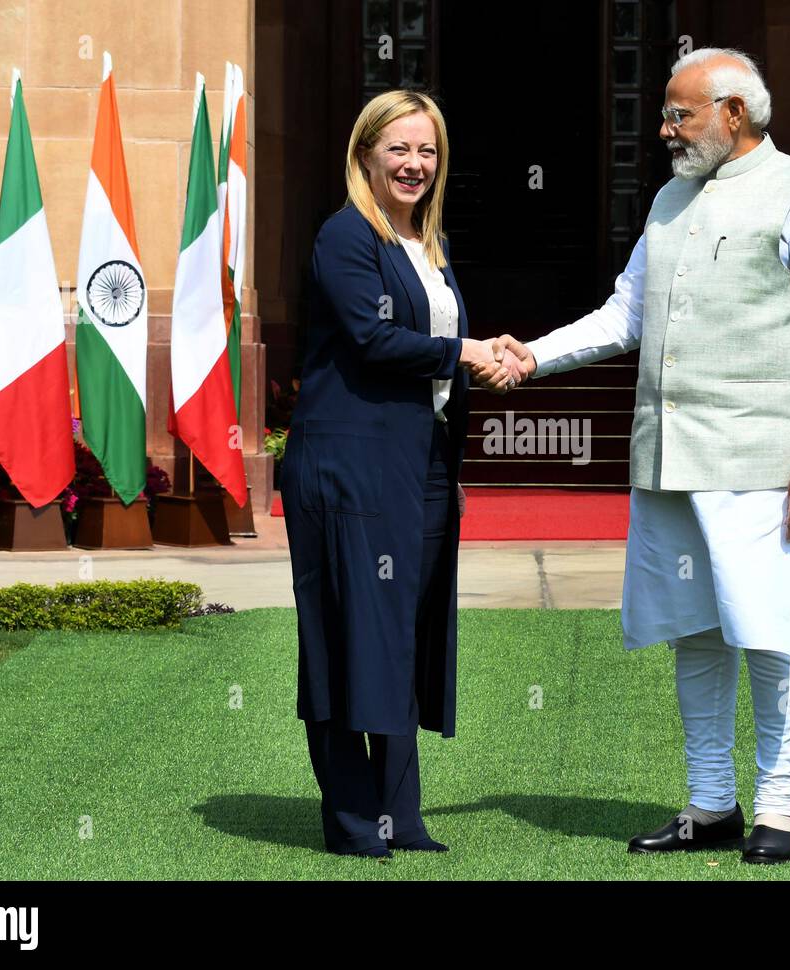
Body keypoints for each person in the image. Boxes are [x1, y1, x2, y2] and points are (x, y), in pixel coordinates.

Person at [495, 48, 790, 863]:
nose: (664, 128)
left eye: (681, 113)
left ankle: (778, 807)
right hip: (670, 462)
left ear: (734, 114)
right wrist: (530, 355)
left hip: (765, 466)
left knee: (772, 633)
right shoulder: (671, 197)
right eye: (667, 112)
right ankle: (711, 806)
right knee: (695, 633)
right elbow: (624, 312)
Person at [281, 89, 515, 858]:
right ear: (366, 154)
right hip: (348, 467)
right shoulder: (346, 235)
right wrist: (463, 354)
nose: (415, 163)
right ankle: (353, 821)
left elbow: (428, 337)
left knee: (404, 633)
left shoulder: (426, 242)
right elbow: (370, 339)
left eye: (428, 151)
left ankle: (399, 815)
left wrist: (487, 351)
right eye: (400, 149)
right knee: (350, 634)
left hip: (419, 461)